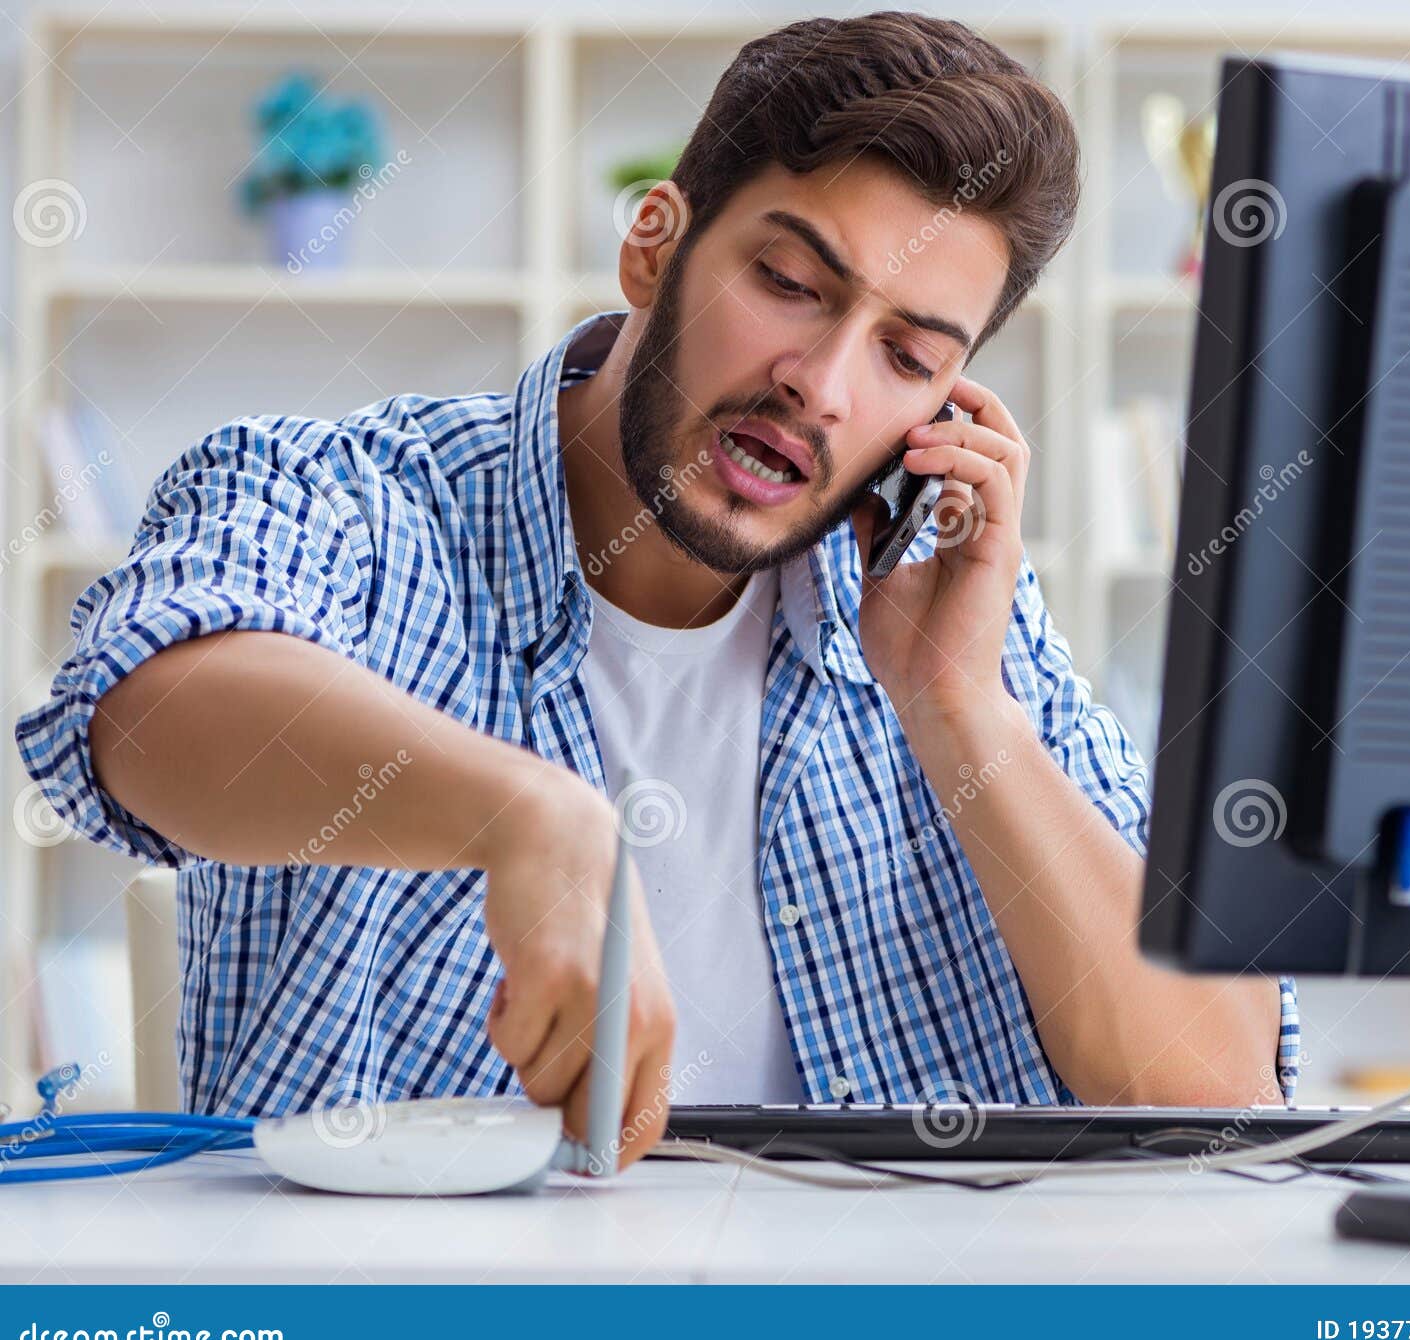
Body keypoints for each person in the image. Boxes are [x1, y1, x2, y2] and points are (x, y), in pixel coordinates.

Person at [16, 12, 1296, 1168]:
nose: (826, 384)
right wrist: (527, 821)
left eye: (907, 354)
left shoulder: (956, 615)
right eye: (791, 286)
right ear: (653, 248)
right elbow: (137, 715)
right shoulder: (345, 494)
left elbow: (1218, 1093)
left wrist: (959, 706)